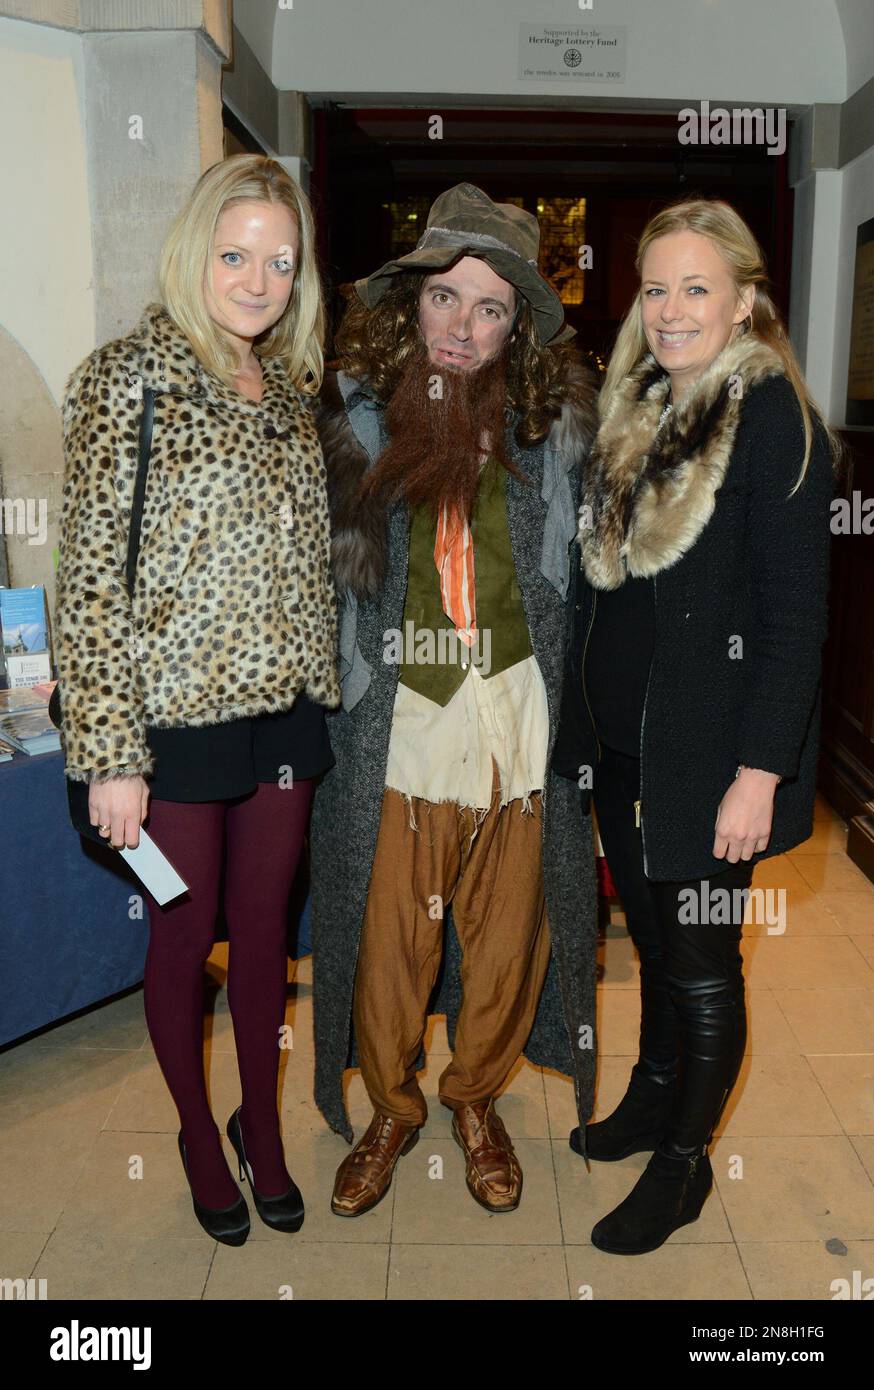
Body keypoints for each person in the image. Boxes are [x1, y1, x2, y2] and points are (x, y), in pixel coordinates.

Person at [55, 154, 340, 1245]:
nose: (258, 279)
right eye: (236, 254)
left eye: (278, 259)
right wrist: (111, 748)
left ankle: (258, 1124)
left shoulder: (292, 392)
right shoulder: (126, 377)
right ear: (193, 252)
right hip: (169, 727)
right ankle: (190, 1129)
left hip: (285, 718)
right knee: (182, 934)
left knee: (266, 934)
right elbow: (86, 575)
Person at [553, 197, 841, 1255]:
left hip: (715, 756)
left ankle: (682, 1166)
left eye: (697, 288)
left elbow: (795, 617)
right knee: (659, 942)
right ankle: (650, 1097)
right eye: (657, 286)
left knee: (705, 960)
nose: (672, 309)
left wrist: (760, 772)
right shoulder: (637, 407)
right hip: (632, 743)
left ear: (745, 301)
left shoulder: (769, 419)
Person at [309, 182, 600, 1217]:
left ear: (517, 326)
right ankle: (391, 1108)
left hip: (518, 724)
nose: (462, 328)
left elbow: (609, 571)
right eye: (446, 299)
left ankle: (476, 1096)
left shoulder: (555, 428)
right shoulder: (347, 423)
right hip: (400, 726)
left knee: (510, 935)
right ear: (410, 305)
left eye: (489, 308)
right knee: (389, 941)